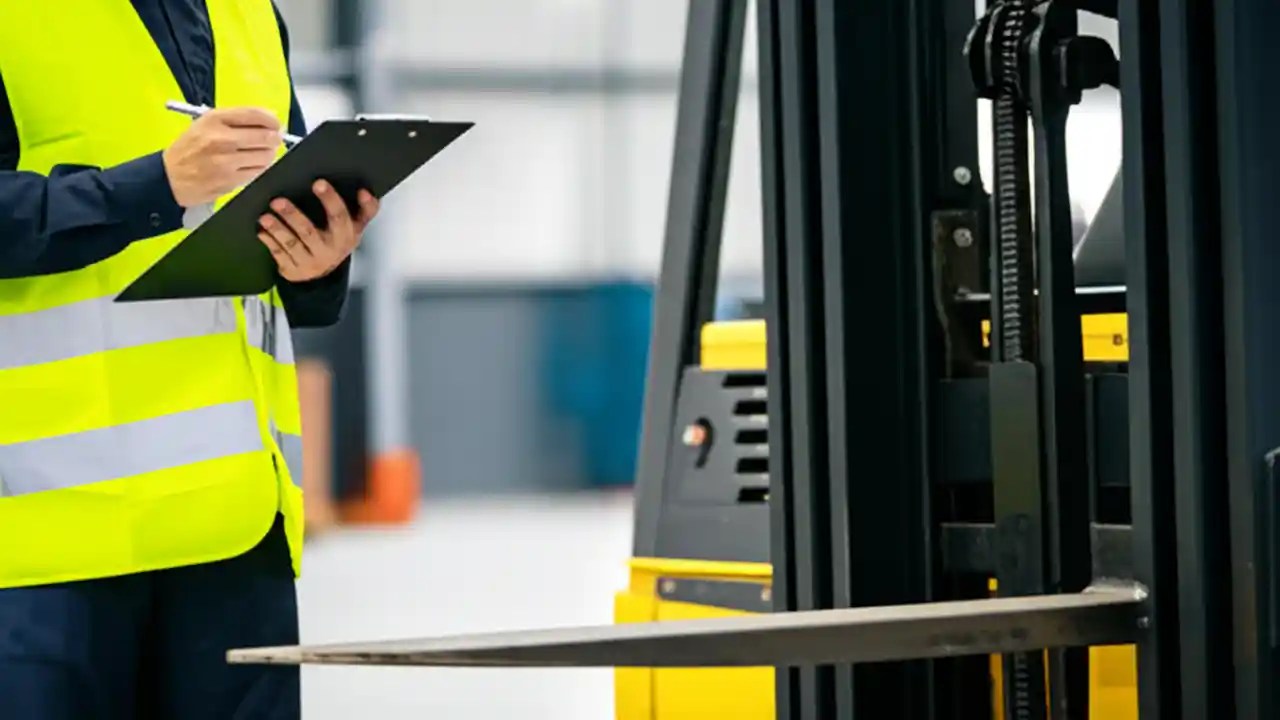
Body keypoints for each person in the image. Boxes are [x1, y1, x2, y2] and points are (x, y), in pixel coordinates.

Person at [0, 1, 377, 717]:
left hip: (235, 529)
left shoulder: (252, 14)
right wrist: (150, 189)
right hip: (48, 542)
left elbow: (264, 218)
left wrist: (317, 263)